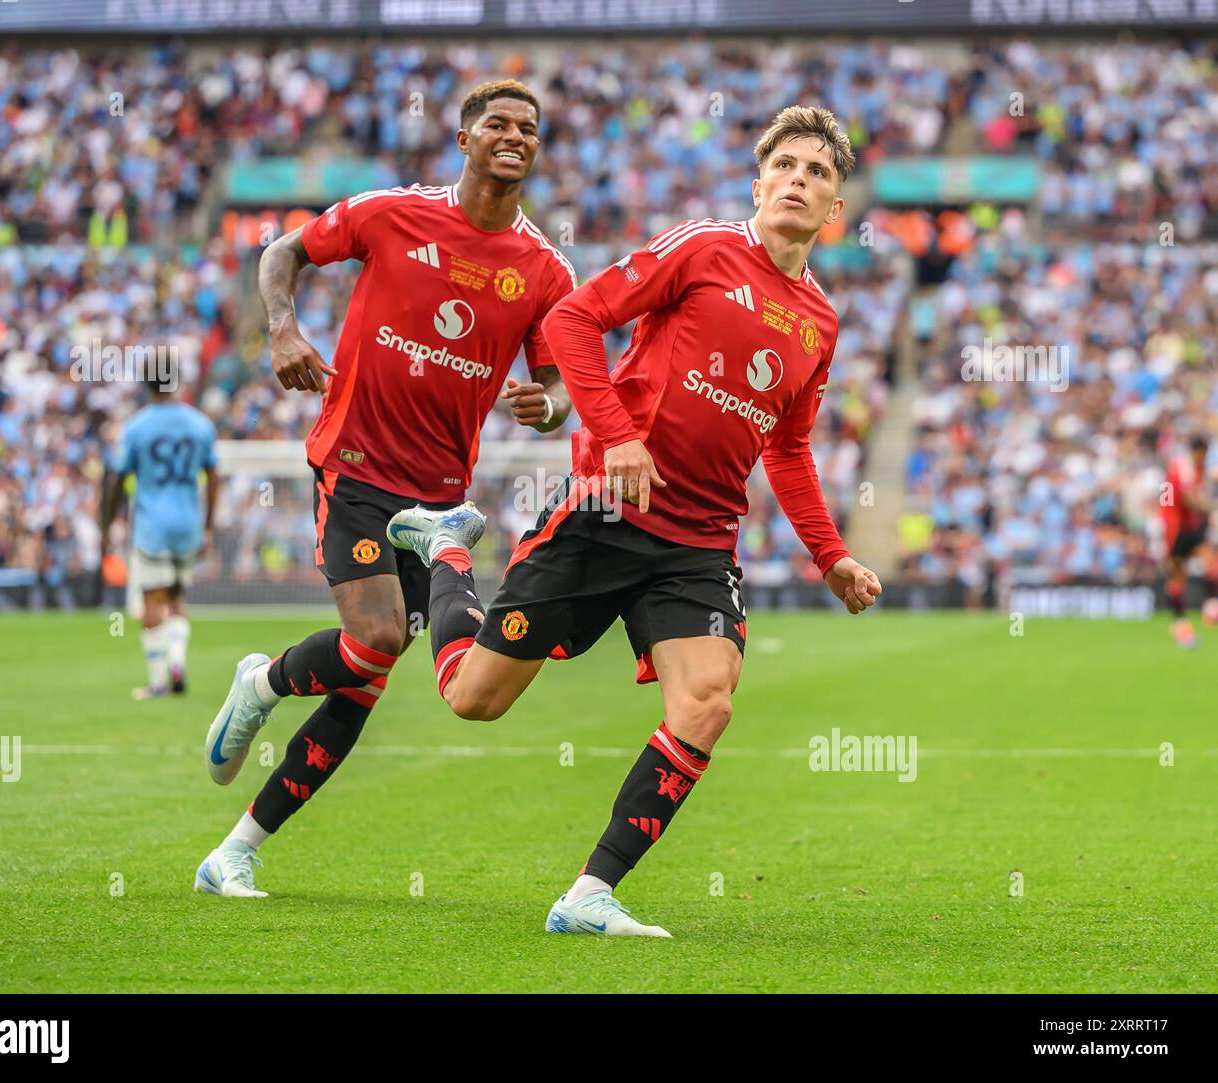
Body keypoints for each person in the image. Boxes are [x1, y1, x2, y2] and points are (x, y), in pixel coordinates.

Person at [388, 105, 882, 936]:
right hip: (608, 514)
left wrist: (829, 556)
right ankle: (444, 549)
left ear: (835, 208)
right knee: (475, 698)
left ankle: (589, 893)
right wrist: (616, 437)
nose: (799, 179)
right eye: (786, 166)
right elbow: (572, 319)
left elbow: (788, 448)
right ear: (757, 184)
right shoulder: (701, 246)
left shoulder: (820, 322)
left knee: (708, 703)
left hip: (699, 541)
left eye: (819, 173)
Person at [194, 79, 576, 898]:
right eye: (499, 124)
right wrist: (286, 328)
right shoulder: (394, 212)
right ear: (465, 138)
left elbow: (561, 390)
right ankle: (259, 684)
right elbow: (281, 251)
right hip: (357, 462)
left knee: (364, 683)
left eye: (530, 129)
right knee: (374, 640)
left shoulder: (545, 270)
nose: (515, 137)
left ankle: (235, 851)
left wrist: (549, 407)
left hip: (438, 494)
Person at [102, 372, 219, 699]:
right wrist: (208, 526)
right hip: (188, 522)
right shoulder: (200, 424)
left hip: (152, 524)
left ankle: (157, 682)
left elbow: (118, 480)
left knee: (152, 600)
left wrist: (107, 524)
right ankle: (178, 662)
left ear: (147, 384)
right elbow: (213, 476)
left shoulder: (137, 427)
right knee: (176, 598)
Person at [1160, 436, 1213, 648]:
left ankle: (1206, 611)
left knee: (1209, 561)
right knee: (1177, 576)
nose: (1204, 458)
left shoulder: (1193, 468)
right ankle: (1179, 624)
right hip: (1175, 530)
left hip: (1187, 527)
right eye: (1203, 454)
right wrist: (1211, 510)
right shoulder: (1182, 467)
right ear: (1197, 452)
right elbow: (1186, 499)